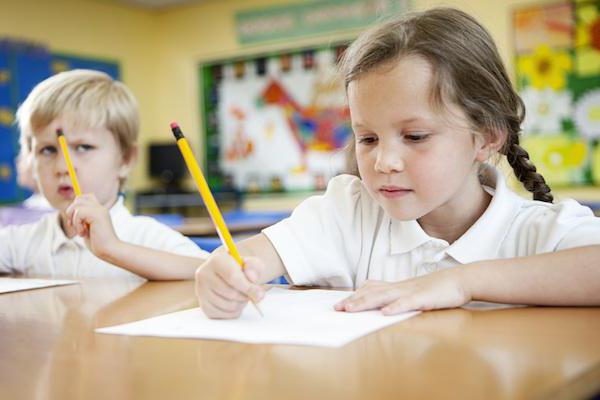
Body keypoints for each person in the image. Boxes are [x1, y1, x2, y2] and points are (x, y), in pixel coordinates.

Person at [195, 8, 600, 318]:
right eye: (367, 138)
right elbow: (254, 256)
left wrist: (462, 282)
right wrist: (226, 272)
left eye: (415, 137)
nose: (384, 161)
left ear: (487, 136)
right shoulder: (350, 212)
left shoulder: (535, 231)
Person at [0, 69, 208, 280]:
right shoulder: (25, 241)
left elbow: (207, 271)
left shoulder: (144, 236)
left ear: (125, 159)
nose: (62, 167)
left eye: (83, 147)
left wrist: (114, 248)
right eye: (47, 150)